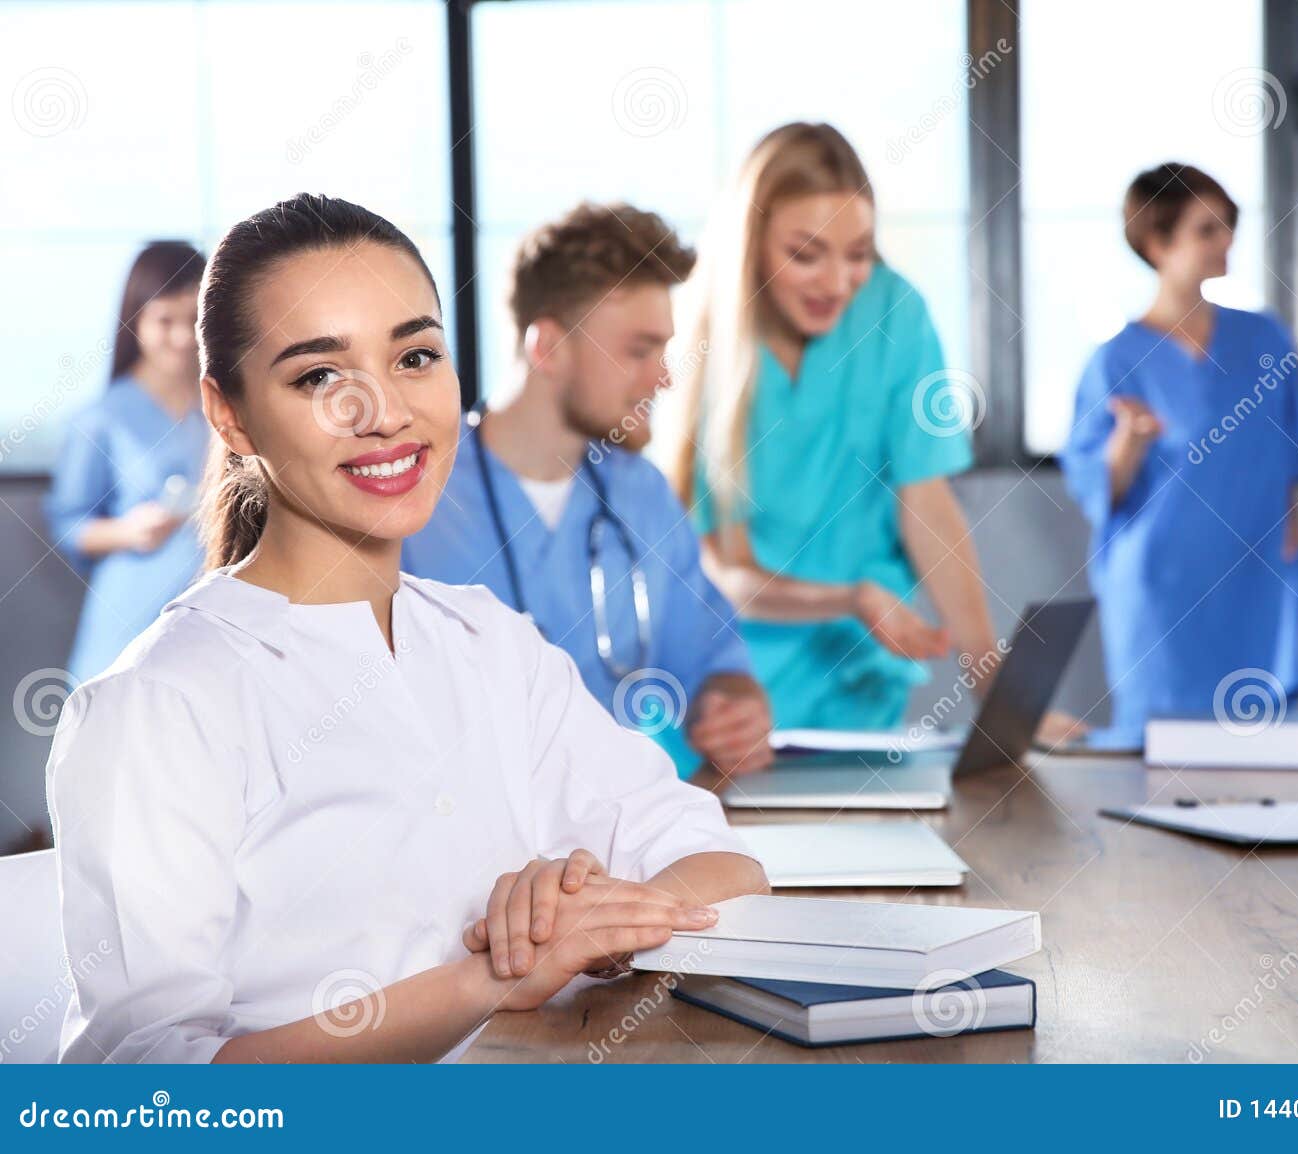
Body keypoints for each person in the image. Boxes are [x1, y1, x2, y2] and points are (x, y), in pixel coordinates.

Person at [46, 193, 766, 1064]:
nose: (384, 411)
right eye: (319, 376)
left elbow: (723, 867)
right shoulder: (159, 705)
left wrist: (595, 919)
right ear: (228, 413)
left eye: (416, 356)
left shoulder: (492, 645)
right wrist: (491, 978)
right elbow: (144, 1092)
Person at [668, 121, 1014, 733]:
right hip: (737, 693)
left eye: (857, 254)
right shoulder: (704, 341)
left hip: (859, 682)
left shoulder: (895, 312)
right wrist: (849, 600)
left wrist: (993, 680)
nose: (836, 283)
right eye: (805, 254)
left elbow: (926, 503)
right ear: (751, 245)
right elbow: (722, 570)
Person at [403, 203, 771, 778]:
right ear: (548, 349)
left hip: (612, 823)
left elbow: (711, 658)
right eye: (639, 351)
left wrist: (732, 705)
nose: (664, 377)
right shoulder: (414, 495)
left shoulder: (642, 496)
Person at [1061, 164, 1298, 735]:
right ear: (1157, 243)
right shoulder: (1116, 358)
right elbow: (1098, 488)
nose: (1225, 241)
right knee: (1158, 743)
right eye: (1206, 230)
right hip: (1160, 582)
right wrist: (1128, 443)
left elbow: (1290, 458)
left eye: (1227, 225)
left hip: (1253, 574)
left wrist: (1292, 538)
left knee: (1255, 741)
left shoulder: (1264, 339)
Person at [48, 241, 210, 683]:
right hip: (130, 616)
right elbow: (68, 522)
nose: (183, 337)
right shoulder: (101, 418)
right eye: (165, 320)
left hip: (212, 620)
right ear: (135, 318)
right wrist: (128, 531)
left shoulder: (227, 410)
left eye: (195, 319)